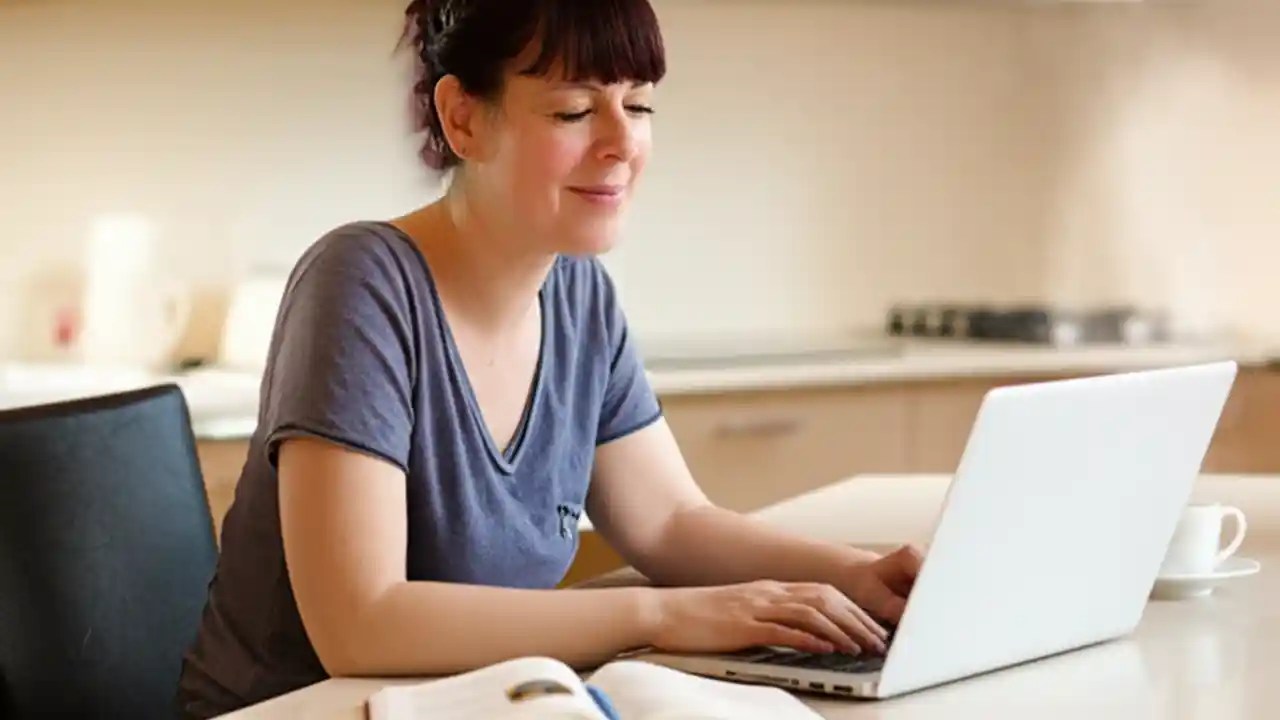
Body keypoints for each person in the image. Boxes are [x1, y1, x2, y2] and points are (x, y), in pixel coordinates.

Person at [176, 0, 922, 716]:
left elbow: (668, 522)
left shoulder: (578, 294)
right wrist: (661, 615)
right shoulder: (361, 282)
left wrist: (856, 576)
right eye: (574, 111)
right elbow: (361, 625)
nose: (622, 142)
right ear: (463, 117)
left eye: (639, 105)